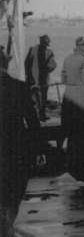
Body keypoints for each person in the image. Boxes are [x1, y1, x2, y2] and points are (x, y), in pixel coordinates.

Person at [1, 57, 40, 234]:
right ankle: (8, 226)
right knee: (14, 192)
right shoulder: (20, 87)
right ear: (6, 64)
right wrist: (38, 149)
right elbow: (32, 121)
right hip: (15, 147)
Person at [61, 36, 84, 181]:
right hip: (81, 95)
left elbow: (63, 78)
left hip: (68, 94)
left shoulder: (68, 58)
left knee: (72, 130)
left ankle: (71, 160)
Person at [25, 34, 56, 121]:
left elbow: (26, 63)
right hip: (43, 80)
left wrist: (28, 75)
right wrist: (47, 71)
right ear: (47, 43)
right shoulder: (49, 52)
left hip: (32, 79)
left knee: (34, 99)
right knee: (43, 98)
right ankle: (41, 115)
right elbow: (53, 65)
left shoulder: (32, 50)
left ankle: (35, 116)